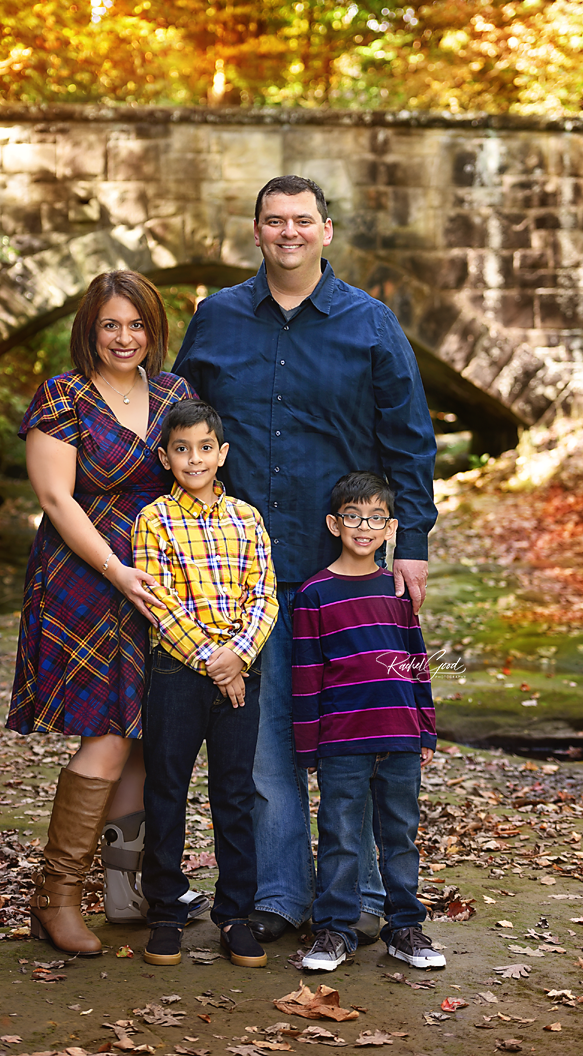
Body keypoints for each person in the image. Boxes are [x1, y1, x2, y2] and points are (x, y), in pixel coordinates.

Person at [172, 175, 437, 943]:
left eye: (302, 220)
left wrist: (410, 547)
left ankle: (368, 899)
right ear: (255, 231)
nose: (288, 232)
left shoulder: (371, 324)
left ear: (327, 229)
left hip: (346, 576)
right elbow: (180, 430)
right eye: (273, 221)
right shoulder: (218, 318)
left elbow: (410, 442)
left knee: (364, 740)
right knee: (264, 747)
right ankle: (283, 897)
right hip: (242, 574)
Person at [7, 270, 198, 956]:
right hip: (87, 576)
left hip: (160, 576)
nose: (125, 337)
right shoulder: (63, 396)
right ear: (90, 327)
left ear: (155, 329)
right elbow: (58, 500)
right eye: (111, 324)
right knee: (113, 730)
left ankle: (127, 894)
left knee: (147, 731)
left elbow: (199, 475)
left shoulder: (175, 393)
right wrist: (118, 571)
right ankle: (54, 897)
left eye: (137, 325)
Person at [132, 399, 279, 967]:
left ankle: (234, 914)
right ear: (166, 457)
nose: (194, 459)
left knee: (234, 793)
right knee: (166, 789)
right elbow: (157, 602)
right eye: (181, 449)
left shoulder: (247, 519)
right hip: (176, 672)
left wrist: (237, 657)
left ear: (222, 453)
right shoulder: (154, 520)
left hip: (241, 672)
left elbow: (263, 597)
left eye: (204, 448)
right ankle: (166, 911)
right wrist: (211, 659)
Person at [292, 471, 443, 973]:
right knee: (339, 836)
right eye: (354, 517)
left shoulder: (398, 591)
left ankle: (405, 927)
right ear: (335, 523)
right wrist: (308, 745)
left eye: (376, 518)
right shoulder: (315, 594)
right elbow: (308, 675)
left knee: (400, 835)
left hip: (399, 737)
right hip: (343, 741)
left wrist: (425, 727)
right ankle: (334, 931)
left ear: (390, 527)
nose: (364, 526)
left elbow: (415, 662)